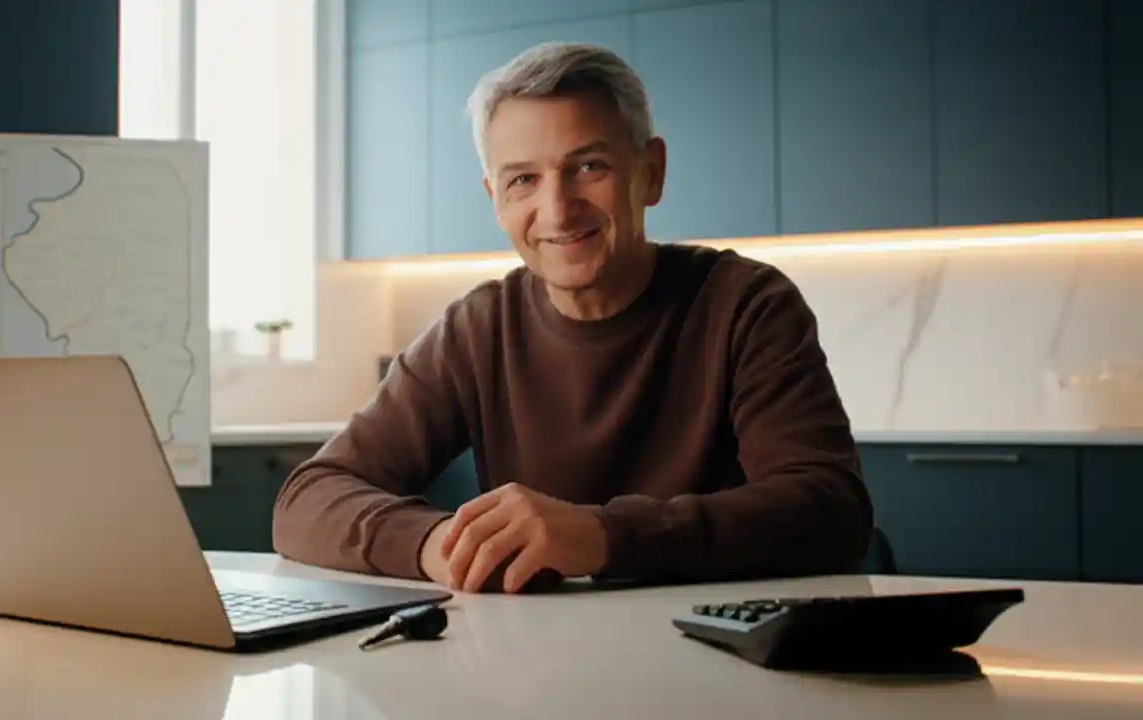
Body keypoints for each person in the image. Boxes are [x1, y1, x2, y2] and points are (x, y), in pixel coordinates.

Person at [273, 42, 872, 594]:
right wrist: (437, 545)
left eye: (588, 167)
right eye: (523, 179)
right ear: (496, 200)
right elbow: (307, 497)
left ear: (651, 172)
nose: (557, 209)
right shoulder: (477, 330)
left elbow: (831, 509)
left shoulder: (746, 304)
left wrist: (602, 537)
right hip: (534, 657)